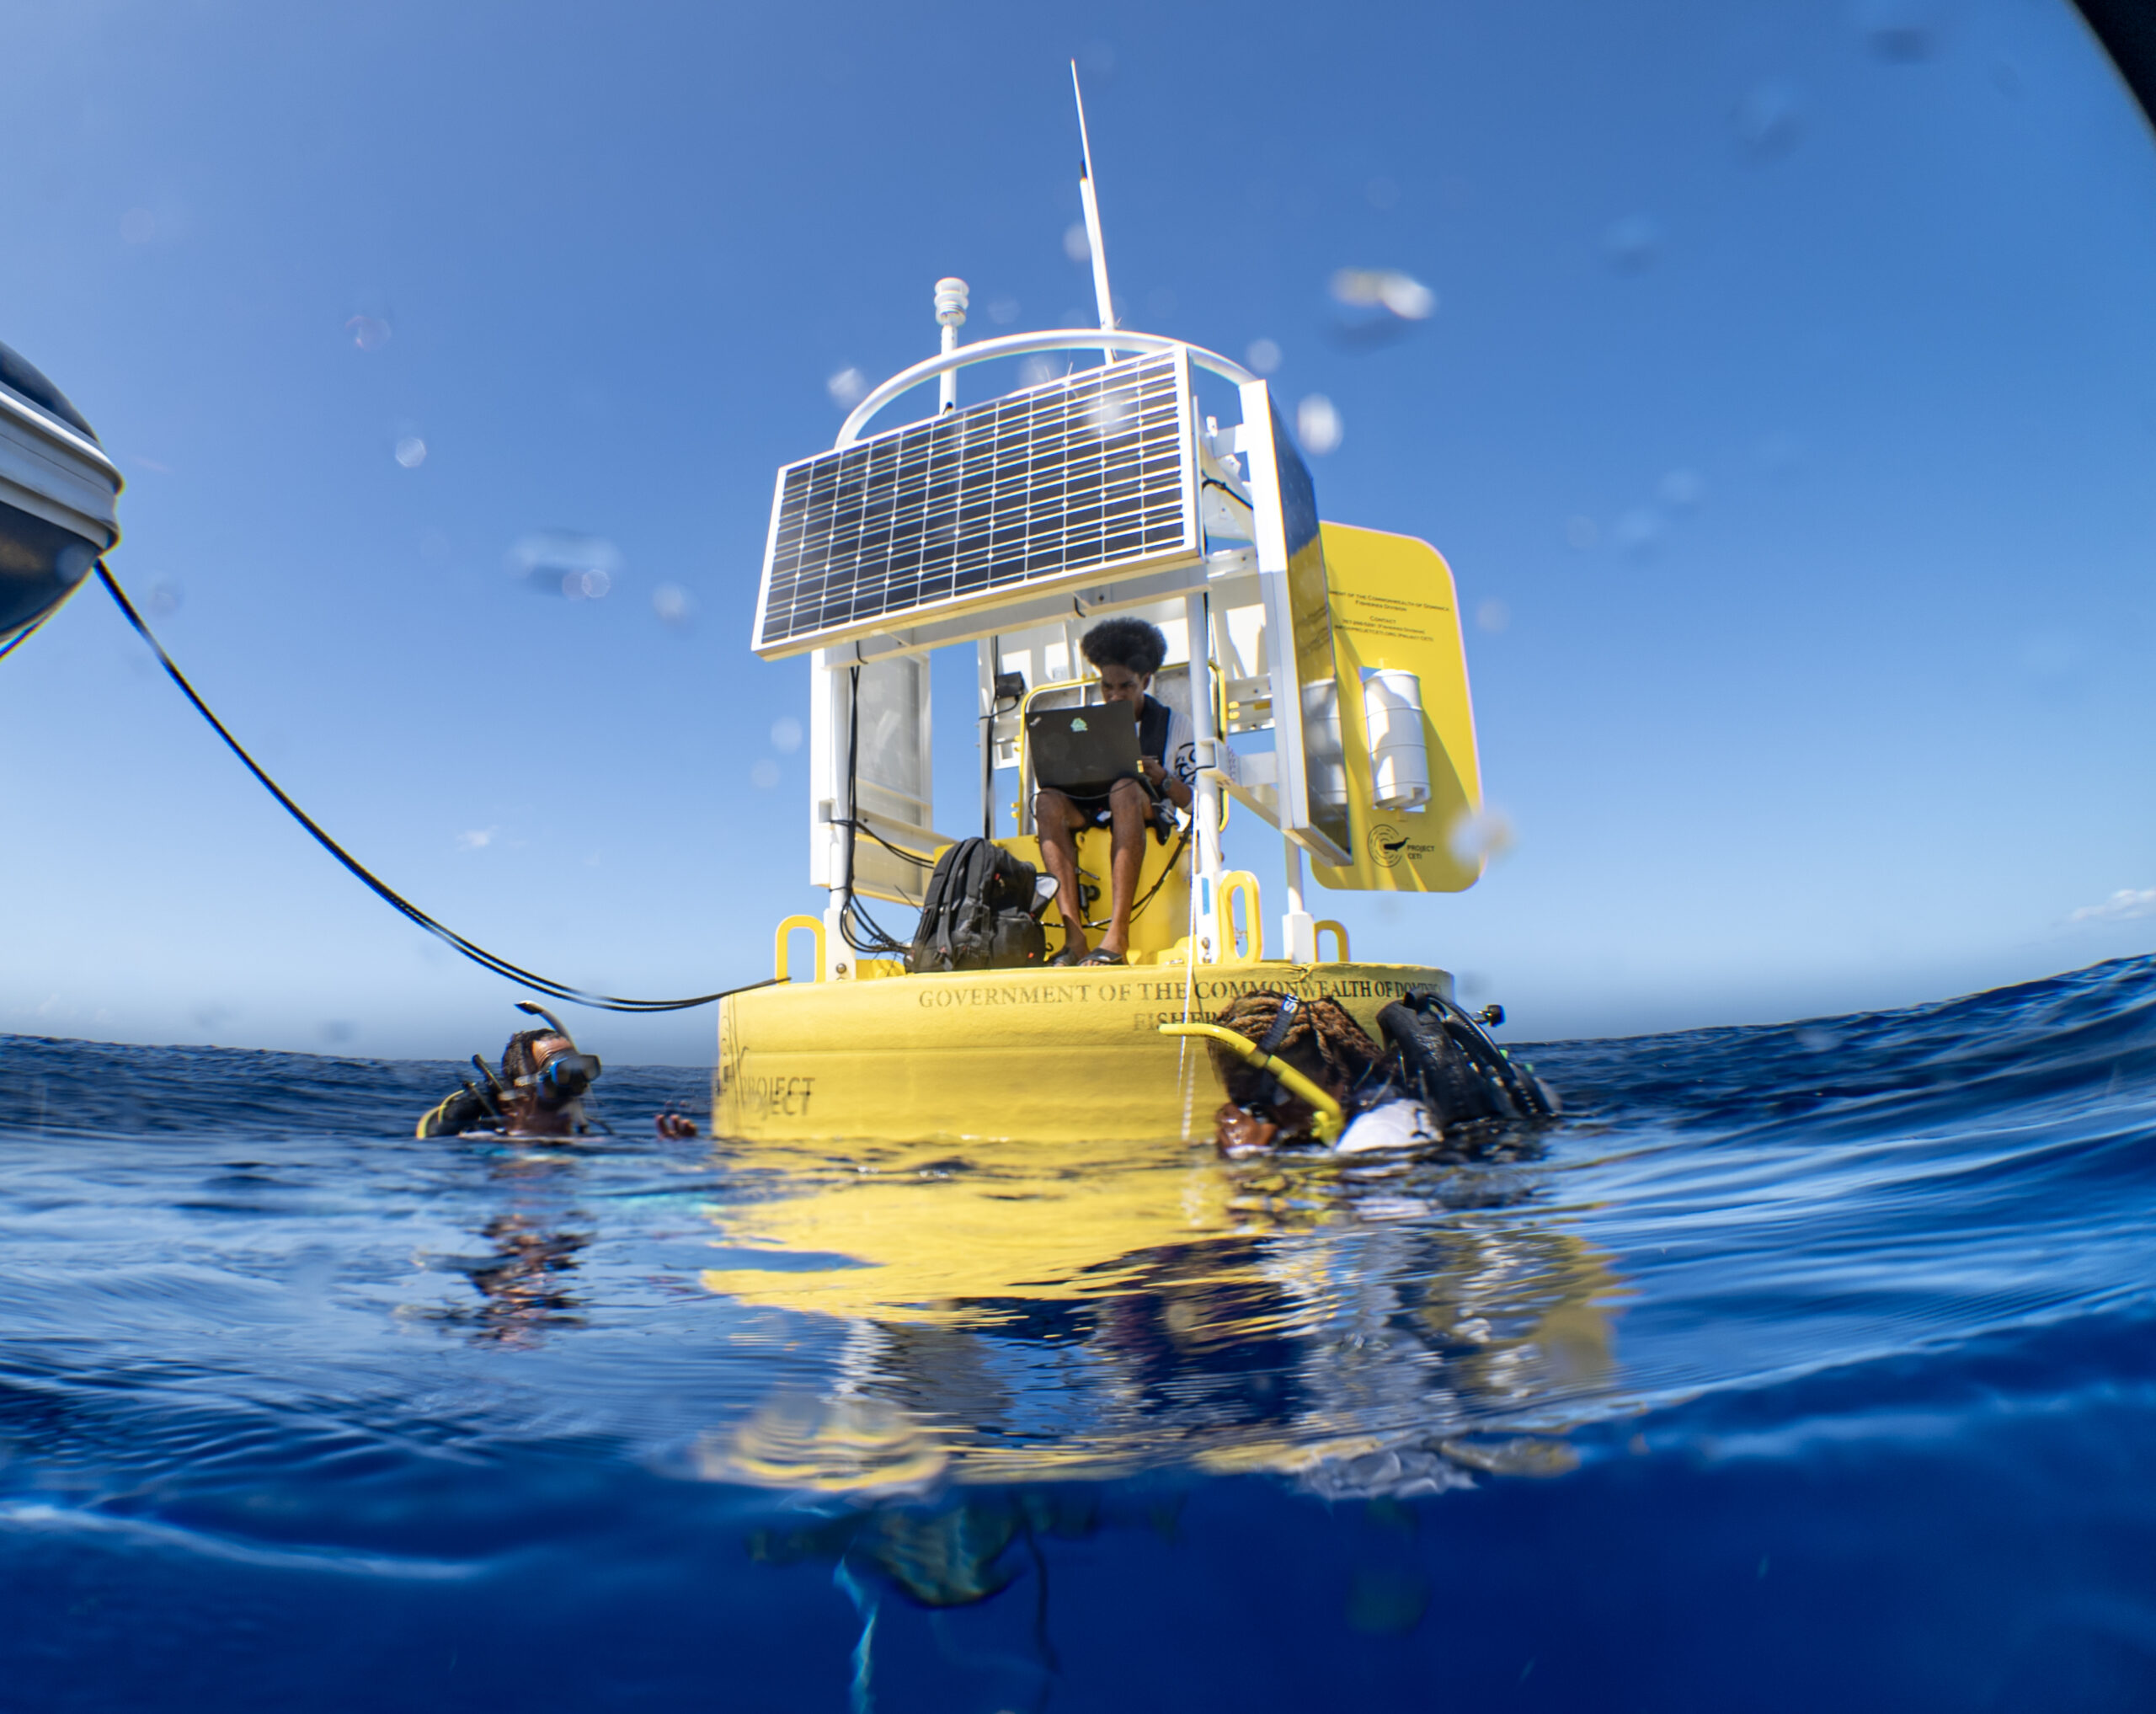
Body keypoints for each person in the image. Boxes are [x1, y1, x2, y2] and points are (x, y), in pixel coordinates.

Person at [1034, 616, 1197, 966]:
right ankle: (1074, 939)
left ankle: (1117, 937)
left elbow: (1199, 802)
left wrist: (1162, 778)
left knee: (1124, 788)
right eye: (1108, 687)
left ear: (1146, 681)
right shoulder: (1086, 722)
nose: (1115, 696)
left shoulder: (1177, 725)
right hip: (1091, 807)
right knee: (1046, 801)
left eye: (1126, 687)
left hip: (1149, 810)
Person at [1205, 990, 1440, 1156]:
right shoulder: (1356, 1116)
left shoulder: (1376, 1140)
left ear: (1326, 1069)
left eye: (1261, 1098)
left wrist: (1248, 1165)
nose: (1258, 1114)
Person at [416, 1005, 605, 1139]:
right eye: (561, 1077)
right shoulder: (488, 1142)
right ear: (522, 1091)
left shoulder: (591, 1141)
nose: (575, 1091)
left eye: (582, 1073)